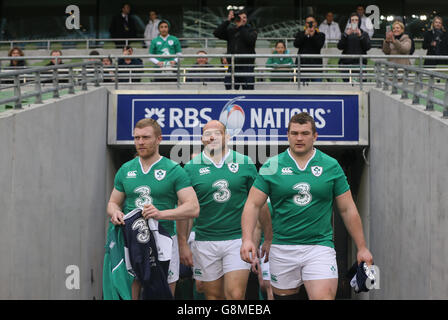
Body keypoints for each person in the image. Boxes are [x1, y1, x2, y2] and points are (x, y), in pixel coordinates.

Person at [240, 112, 373, 300]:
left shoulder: (331, 166)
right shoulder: (272, 165)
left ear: (315, 136)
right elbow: (253, 204)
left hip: (319, 247)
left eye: (304, 133)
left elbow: (347, 209)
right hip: (283, 248)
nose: (299, 138)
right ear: (287, 135)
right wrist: (247, 239)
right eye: (294, 133)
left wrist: (362, 247)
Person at [107, 118, 200, 299]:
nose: (140, 142)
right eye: (137, 138)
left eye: (146, 137)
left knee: (164, 292)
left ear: (159, 139)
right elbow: (112, 203)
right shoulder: (126, 169)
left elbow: (193, 207)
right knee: (132, 287)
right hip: (133, 239)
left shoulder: (174, 170)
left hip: (165, 238)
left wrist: (161, 214)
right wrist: (115, 212)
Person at [178, 120, 271, 300]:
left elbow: (260, 204)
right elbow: (185, 210)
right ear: (202, 139)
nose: (212, 137)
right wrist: (183, 244)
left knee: (235, 295)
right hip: (205, 240)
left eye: (217, 133)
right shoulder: (190, 168)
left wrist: (268, 237)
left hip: (237, 239)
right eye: (207, 134)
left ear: (227, 137)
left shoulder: (245, 163)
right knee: (213, 296)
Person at [213, 9, 258, 90]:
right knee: (229, 87)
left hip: (247, 67)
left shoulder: (252, 30)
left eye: (244, 17)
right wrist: (228, 20)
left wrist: (241, 27)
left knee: (248, 90)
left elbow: (250, 40)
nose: (242, 20)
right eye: (240, 18)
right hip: (233, 66)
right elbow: (216, 33)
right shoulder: (232, 31)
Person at [337, 13, 371, 82]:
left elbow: (367, 47)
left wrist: (360, 36)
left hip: (360, 64)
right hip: (346, 64)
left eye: (356, 20)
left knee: (361, 86)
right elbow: (340, 46)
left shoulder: (364, 34)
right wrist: (346, 35)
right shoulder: (345, 33)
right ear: (350, 22)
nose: (354, 22)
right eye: (352, 20)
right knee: (347, 87)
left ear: (359, 22)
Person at [293, 15, 325, 82]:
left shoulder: (320, 35)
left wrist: (312, 35)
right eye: (308, 22)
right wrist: (305, 35)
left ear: (316, 23)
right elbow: (296, 44)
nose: (310, 24)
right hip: (302, 66)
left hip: (316, 67)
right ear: (305, 24)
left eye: (312, 22)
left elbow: (319, 45)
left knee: (317, 89)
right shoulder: (300, 34)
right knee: (302, 89)